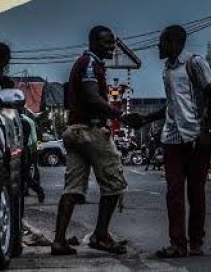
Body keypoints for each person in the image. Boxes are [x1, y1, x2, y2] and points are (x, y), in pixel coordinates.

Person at [51, 26, 141, 257]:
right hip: (90, 131)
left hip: (74, 131)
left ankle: (59, 240)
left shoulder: (86, 63)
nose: (111, 47)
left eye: (112, 42)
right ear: (93, 42)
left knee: (72, 187)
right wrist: (118, 114)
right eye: (106, 43)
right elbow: (91, 97)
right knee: (114, 183)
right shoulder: (90, 64)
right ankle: (100, 236)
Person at [140, 25, 211, 258]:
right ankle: (177, 243)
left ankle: (196, 242)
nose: (159, 46)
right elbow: (173, 106)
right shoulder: (168, 70)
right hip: (173, 139)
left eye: (162, 42)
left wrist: (208, 130)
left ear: (175, 43)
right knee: (174, 191)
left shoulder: (194, 63)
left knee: (196, 192)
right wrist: (145, 118)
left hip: (197, 138)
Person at [21, 110, 46, 203]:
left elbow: (37, 139)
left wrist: (38, 150)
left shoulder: (28, 122)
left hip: (31, 149)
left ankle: (35, 189)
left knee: (30, 171)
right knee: (29, 171)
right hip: (32, 149)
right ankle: (29, 189)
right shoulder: (33, 124)